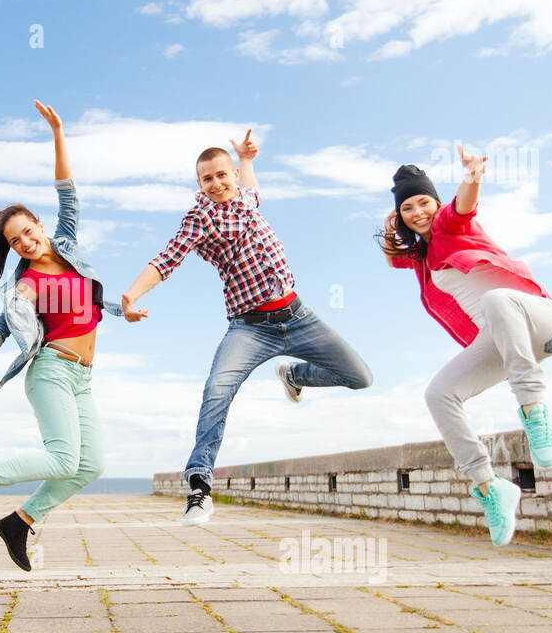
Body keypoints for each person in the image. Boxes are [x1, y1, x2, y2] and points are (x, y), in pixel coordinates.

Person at [121, 131, 372, 526]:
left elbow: (252, 185)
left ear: (233, 175)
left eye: (223, 175)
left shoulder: (247, 195)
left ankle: (293, 374)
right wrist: (132, 296)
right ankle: (200, 486)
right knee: (217, 389)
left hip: (298, 316)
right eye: (207, 179)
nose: (217, 184)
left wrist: (246, 157)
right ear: (199, 185)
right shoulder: (200, 218)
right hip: (250, 328)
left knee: (359, 376)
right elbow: (166, 259)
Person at [0, 101, 123, 571]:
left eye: (27, 232)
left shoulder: (69, 249)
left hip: (82, 377)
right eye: (16, 241)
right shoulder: (24, 285)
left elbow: (69, 196)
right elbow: (0, 330)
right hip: (51, 372)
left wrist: (58, 132)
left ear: (39, 226)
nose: (25, 242)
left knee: (91, 464)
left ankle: (20, 521)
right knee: (63, 460)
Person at [378, 146, 552, 546]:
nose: (419, 213)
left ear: (436, 202)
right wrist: (388, 229)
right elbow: (393, 259)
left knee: (496, 299)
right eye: (408, 208)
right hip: (505, 342)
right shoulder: (422, 260)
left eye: (424, 202)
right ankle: (490, 487)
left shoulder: (453, 225)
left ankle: (534, 414)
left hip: (545, 320)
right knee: (439, 394)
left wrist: (472, 176)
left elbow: (462, 207)